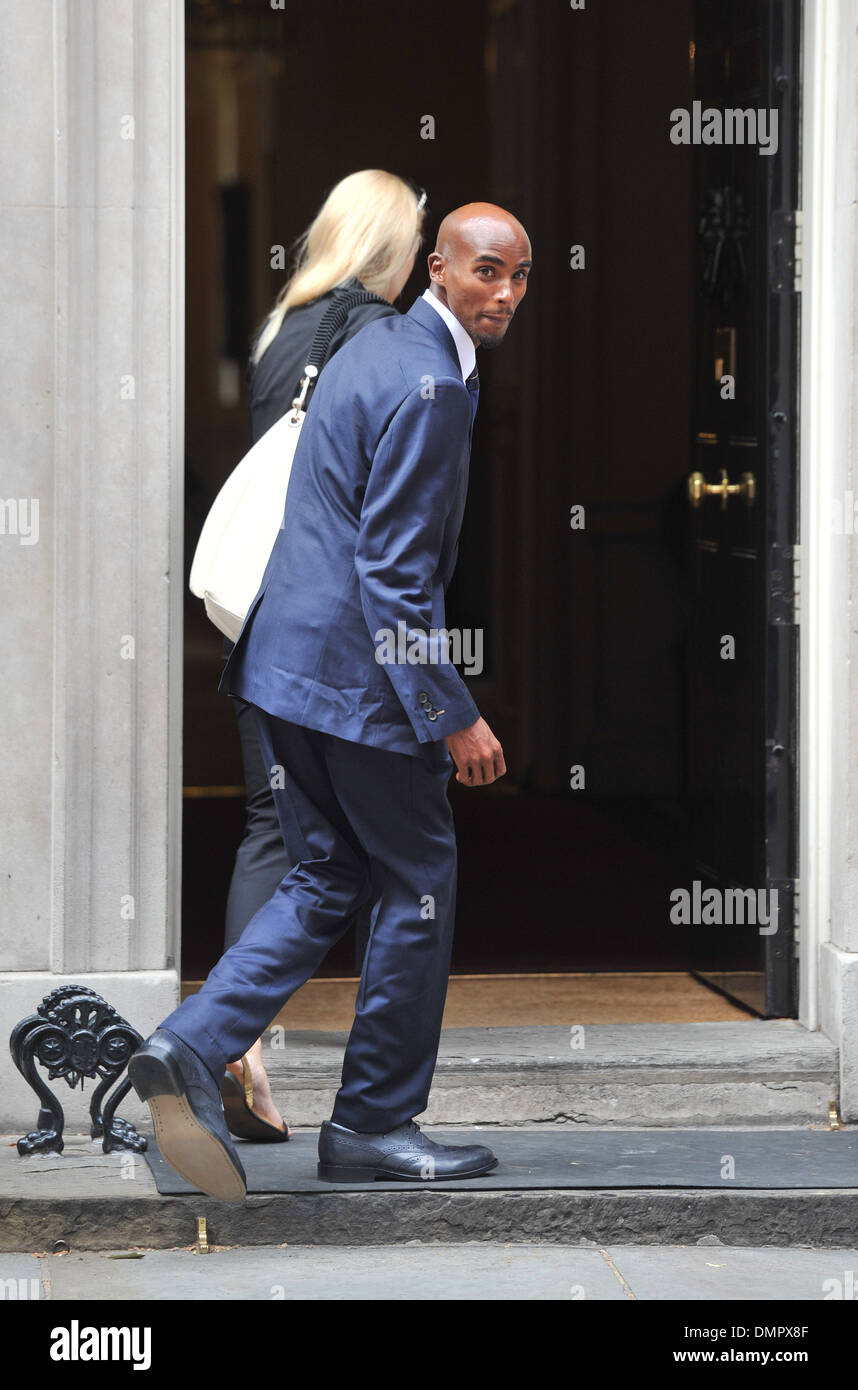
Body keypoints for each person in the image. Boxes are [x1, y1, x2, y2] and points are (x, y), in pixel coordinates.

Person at [130, 202, 533, 1199]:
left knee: (324, 873)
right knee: (418, 879)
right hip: (357, 684)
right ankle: (374, 1123)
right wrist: (453, 713)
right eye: (487, 272)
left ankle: (188, 1046)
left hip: (283, 668)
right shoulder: (433, 382)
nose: (506, 294)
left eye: (521, 277)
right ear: (437, 267)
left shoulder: (372, 345)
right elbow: (395, 575)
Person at [218, 171, 425, 1141]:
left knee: (276, 823)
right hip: (331, 620)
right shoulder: (371, 334)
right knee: (377, 853)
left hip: (262, 615)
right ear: (392, 250)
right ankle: (368, 1103)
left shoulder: (279, 329)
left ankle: (232, 1046)